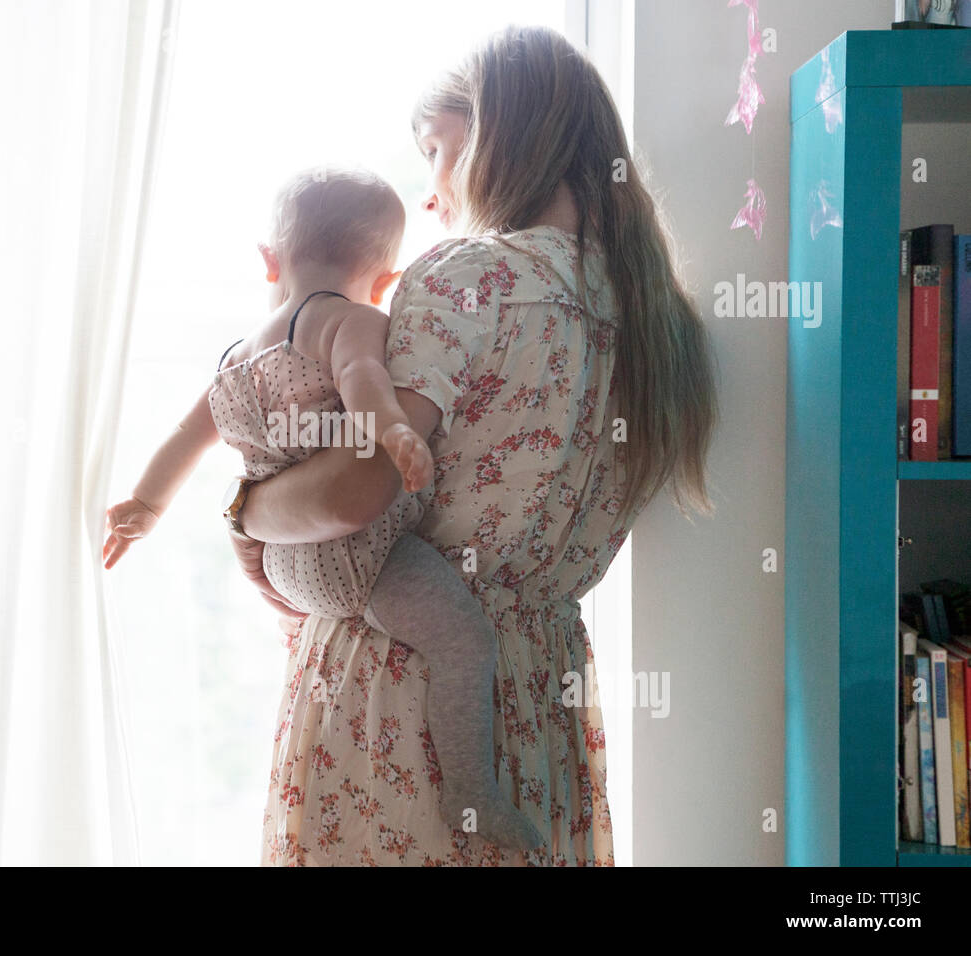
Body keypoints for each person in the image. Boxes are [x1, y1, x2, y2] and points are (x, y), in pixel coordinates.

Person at [229, 24, 719, 865]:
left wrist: (249, 511)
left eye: (437, 149)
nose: (429, 190)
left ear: (498, 133)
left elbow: (358, 493)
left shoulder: (471, 277)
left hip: (400, 691)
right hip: (540, 698)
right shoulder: (657, 317)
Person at [103, 166, 543, 849]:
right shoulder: (347, 320)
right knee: (464, 638)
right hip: (363, 559)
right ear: (388, 280)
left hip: (277, 563)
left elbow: (184, 441)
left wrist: (145, 505)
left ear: (270, 260)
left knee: (299, 611)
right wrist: (395, 431)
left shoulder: (233, 358)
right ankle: (472, 795)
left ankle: (294, 630)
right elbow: (364, 380)